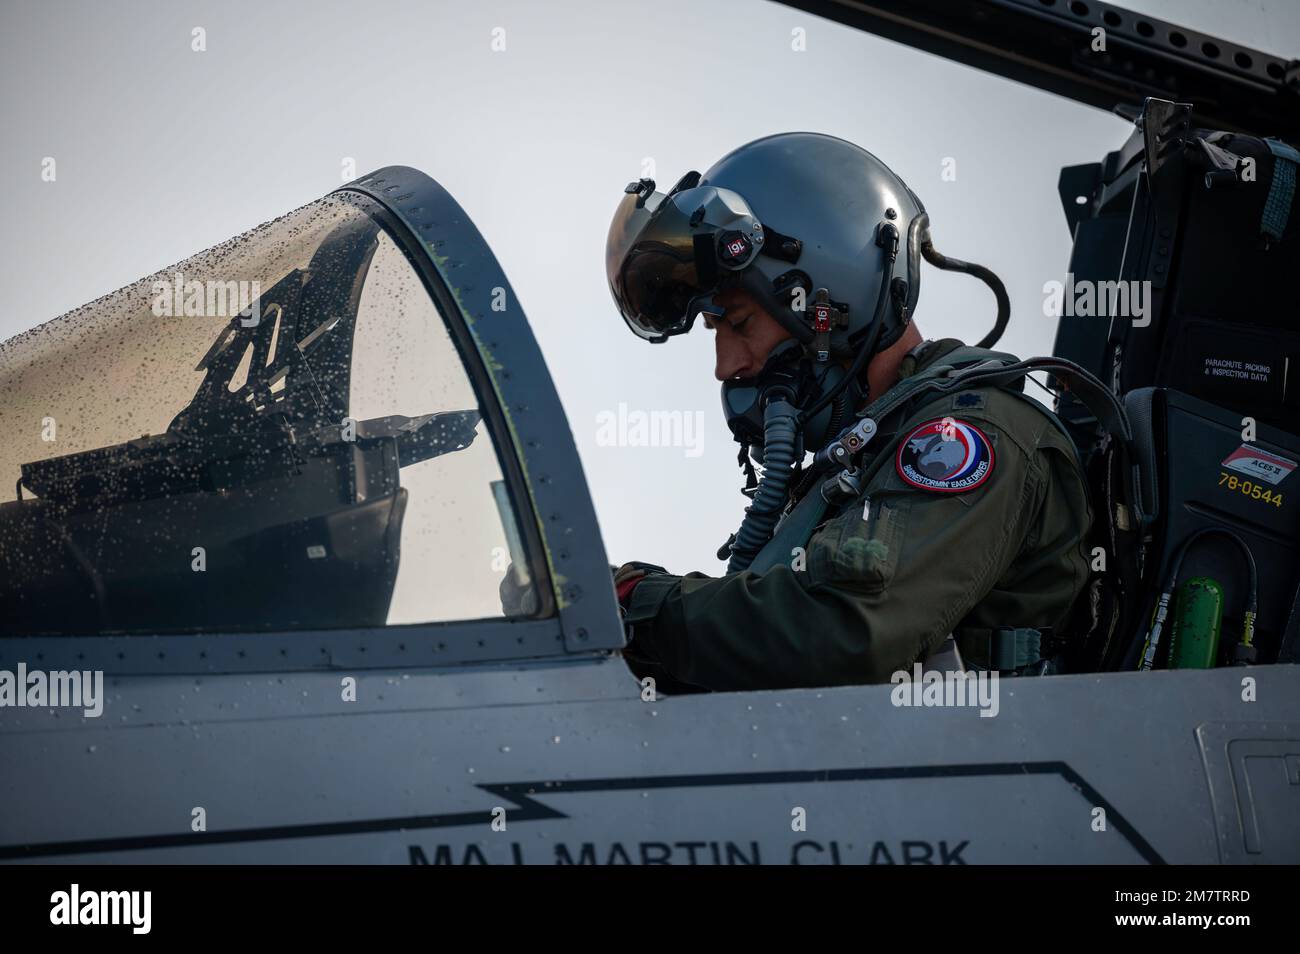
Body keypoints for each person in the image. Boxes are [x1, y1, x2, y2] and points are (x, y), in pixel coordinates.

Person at [599, 132, 1094, 692]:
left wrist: (634, 604)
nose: (726, 367)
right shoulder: (852, 467)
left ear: (833, 305)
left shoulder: (969, 438)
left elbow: (840, 634)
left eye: (737, 324)